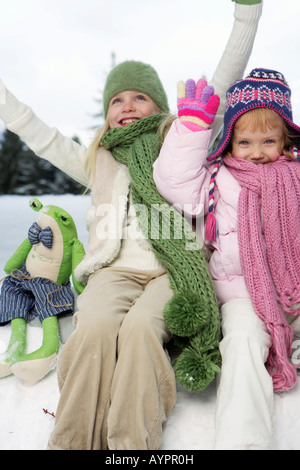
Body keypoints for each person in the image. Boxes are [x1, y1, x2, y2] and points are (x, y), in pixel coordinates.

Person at [0, 0, 263, 451]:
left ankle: (131, 444)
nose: (127, 105)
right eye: (116, 100)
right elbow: (37, 132)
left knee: (142, 328)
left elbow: (223, 78)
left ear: (160, 104)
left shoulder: (182, 140)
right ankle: (71, 440)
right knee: (97, 326)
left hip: (172, 269)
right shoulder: (96, 158)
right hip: (112, 272)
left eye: (139, 95)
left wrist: (247, 16)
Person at [153, 68, 300, 449]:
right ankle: (243, 442)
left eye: (268, 141)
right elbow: (176, 184)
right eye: (244, 141)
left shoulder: (296, 177)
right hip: (243, 294)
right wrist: (190, 130)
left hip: (295, 292)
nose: (256, 152)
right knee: (241, 342)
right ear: (229, 141)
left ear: (286, 138)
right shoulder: (218, 178)